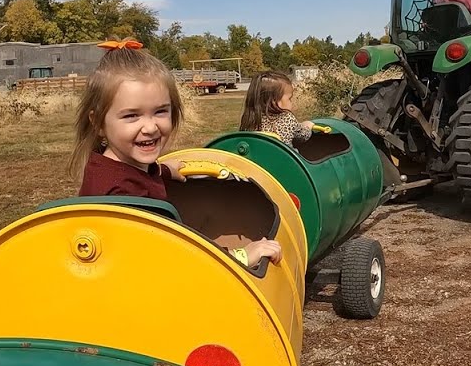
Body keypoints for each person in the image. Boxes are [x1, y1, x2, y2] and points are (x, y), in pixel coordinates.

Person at [71, 38, 282, 267]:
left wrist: (164, 170)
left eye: (160, 111)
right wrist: (241, 256)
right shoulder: (122, 197)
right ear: (98, 123)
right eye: (131, 115)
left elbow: (141, 176)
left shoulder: (111, 167)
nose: (150, 127)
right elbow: (170, 258)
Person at [240, 71, 314, 146]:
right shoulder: (286, 118)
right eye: (289, 99)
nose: (291, 102)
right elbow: (303, 136)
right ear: (274, 101)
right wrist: (307, 126)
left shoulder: (249, 119)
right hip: (283, 157)